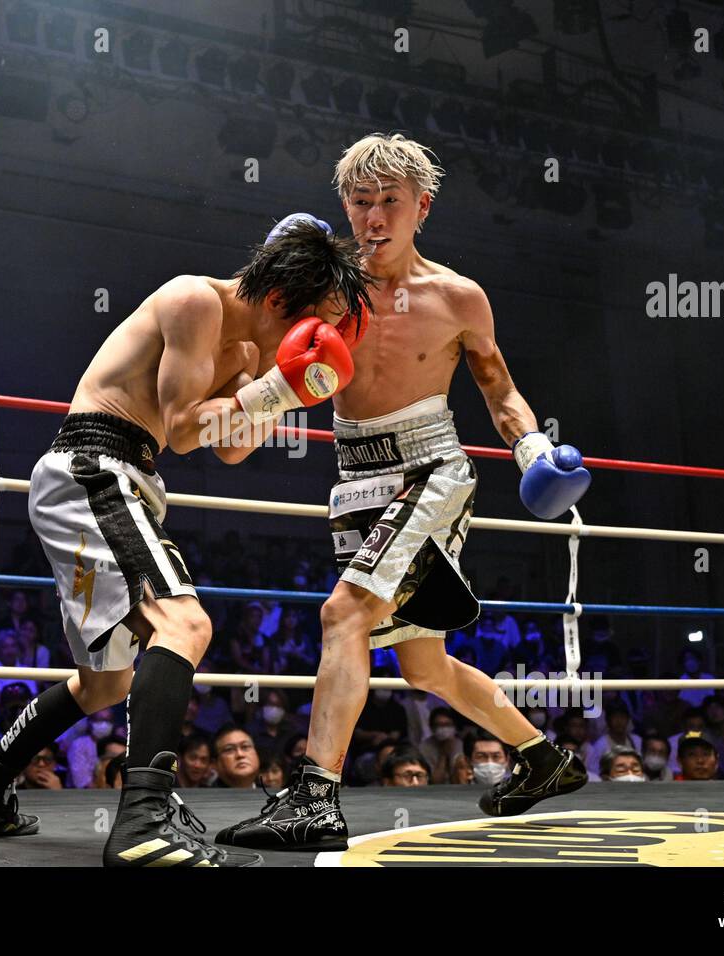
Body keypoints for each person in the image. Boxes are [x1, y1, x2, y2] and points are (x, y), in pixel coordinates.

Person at [0, 220, 372, 868]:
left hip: (113, 482)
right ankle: (143, 821)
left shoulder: (253, 353)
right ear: (282, 301)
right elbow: (182, 426)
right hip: (96, 466)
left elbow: (228, 447)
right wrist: (282, 385)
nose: (324, 340)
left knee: (105, 685)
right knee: (185, 622)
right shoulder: (194, 300)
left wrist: (288, 387)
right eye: (318, 325)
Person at [220, 136, 590, 851]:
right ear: (345, 208)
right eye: (361, 202)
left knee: (343, 615)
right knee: (424, 668)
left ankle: (315, 798)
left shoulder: (457, 297)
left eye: (390, 201)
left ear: (422, 206)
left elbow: (500, 389)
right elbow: (272, 364)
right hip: (356, 476)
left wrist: (533, 451)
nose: (374, 216)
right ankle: (546, 760)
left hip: (431, 469)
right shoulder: (324, 291)